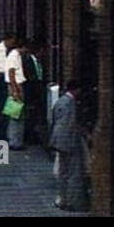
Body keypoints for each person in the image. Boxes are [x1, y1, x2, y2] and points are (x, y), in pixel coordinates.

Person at [49, 80, 89, 212]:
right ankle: (70, 201)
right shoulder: (69, 103)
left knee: (63, 172)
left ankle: (63, 199)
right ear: (76, 90)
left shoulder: (61, 101)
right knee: (70, 172)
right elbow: (68, 124)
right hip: (67, 141)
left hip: (59, 140)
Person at [21, 41, 47, 146]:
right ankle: (28, 136)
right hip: (31, 92)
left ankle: (31, 134)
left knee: (34, 115)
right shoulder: (28, 61)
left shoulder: (38, 62)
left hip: (37, 91)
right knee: (30, 115)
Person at [5, 36, 27, 149]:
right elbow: (11, 73)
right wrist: (15, 90)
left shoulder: (16, 55)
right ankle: (14, 142)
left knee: (17, 114)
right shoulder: (14, 56)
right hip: (16, 86)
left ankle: (16, 140)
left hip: (16, 86)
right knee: (16, 115)